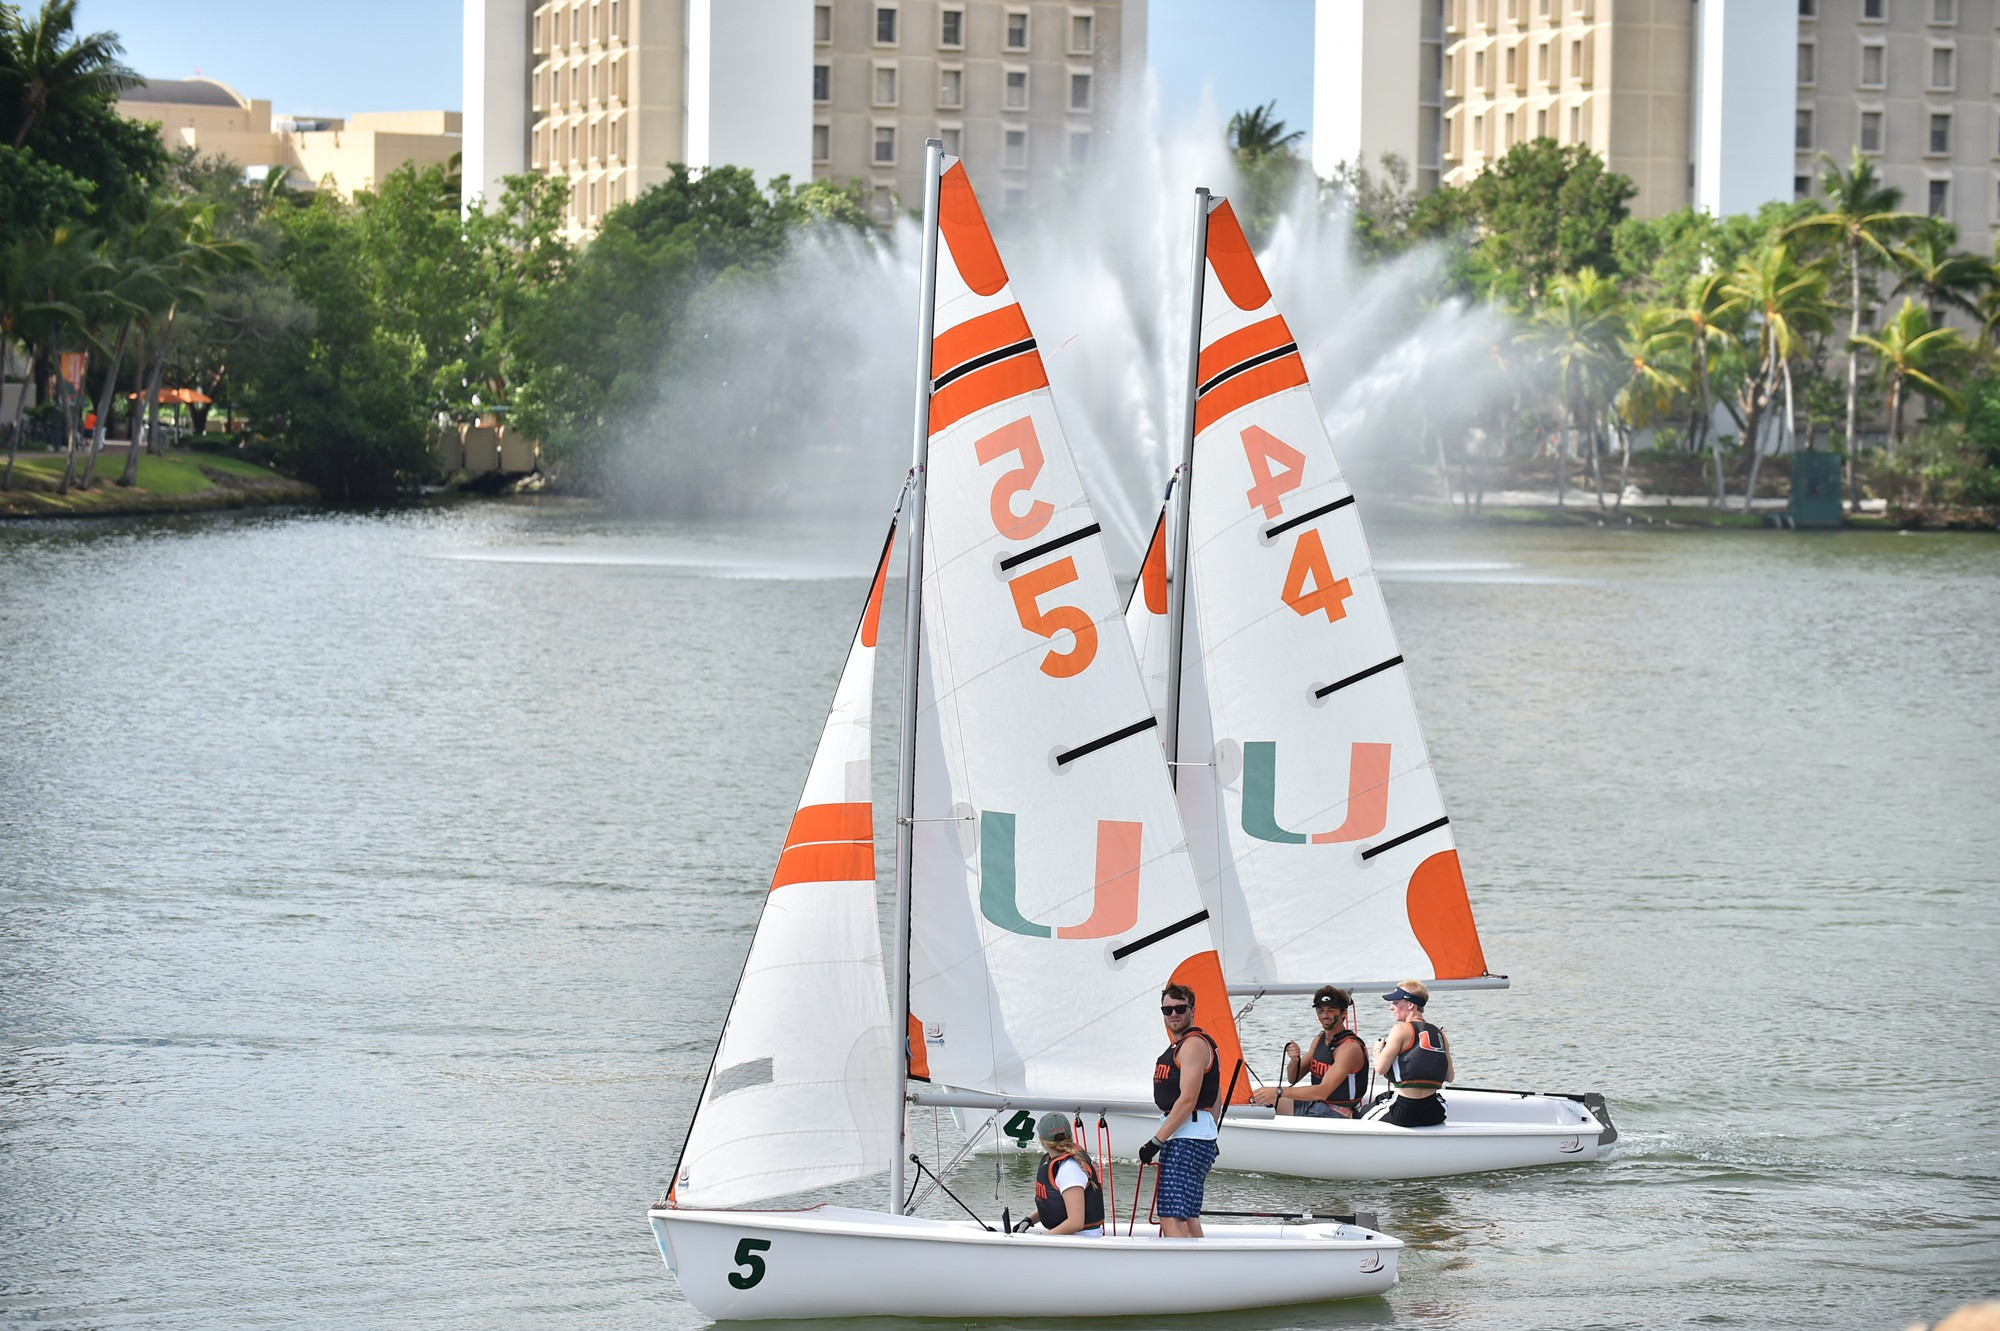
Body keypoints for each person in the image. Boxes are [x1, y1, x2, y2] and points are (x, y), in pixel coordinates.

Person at [1136, 982, 1220, 1238]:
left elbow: (1188, 1100)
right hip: (1194, 1136)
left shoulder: (1193, 1044)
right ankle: (1202, 1270)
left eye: (1180, 1008)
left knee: (1171, 1215)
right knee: (1189, 1217)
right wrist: (1210, 1132)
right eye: (1167, 1010)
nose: (1173, 1014)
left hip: (1187, 1139)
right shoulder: (1183, 1045)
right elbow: (1216, 1094)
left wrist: (1155, 1141)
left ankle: (1186, 1272)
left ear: (1192, 1010)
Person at [1251, 985, 1370, 1118]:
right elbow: (1293, 1078)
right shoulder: (1320, 1039)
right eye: (1320, 1010)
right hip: (1317, 1104)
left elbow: (1322, 1091)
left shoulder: (1349, 1048)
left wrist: (1278, 1091)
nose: (1325, 1015)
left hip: (1338, 1113)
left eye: (1331, 1010)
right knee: (1254, 1101)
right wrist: (1295, 1060)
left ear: (1343, 1014)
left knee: (1268, 1101)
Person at [1371, 979, 1453, 1128]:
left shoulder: (1400, 1029)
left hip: (1404, 1110)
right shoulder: (1440, 1033)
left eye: (1395, 1002)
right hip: (1434, 1111)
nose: (1391, 1007)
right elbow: (1449, 1077)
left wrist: (1377, 1049)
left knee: (1359, 1114)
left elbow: (1380, 1069)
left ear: (1410, 1005)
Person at [1030, 1112, 1104, 1236]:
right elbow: (1058, 1205)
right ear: (1070, 1136)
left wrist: (1044, 1237)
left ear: (1041, 1140)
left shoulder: (1069, 1169)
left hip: (1082, 1240)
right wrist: (1030, 1220)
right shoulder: (1056, 1163)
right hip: (1070, 1238)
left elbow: (1075, 1223)